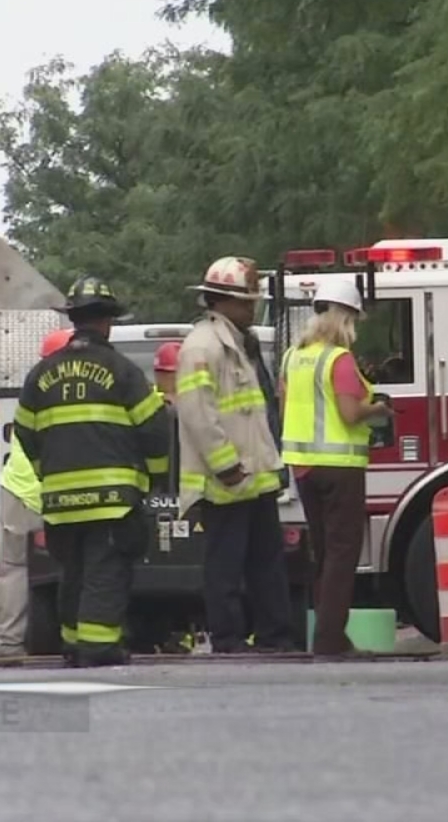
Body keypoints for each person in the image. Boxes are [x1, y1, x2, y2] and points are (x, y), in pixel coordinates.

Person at [14, 276, 170, 668]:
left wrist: (45, 474)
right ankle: (97, 647)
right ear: (107, 323)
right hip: (112, 501)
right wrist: (154, 477)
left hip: (62, 503)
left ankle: (73, 644)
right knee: (104, 573)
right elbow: (154, 427)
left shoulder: (40, 375)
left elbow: (25, 432)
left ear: (74, 320)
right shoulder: (122, 371)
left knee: (73, 573)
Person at [175, 256, 295, 654]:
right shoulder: (202, 346)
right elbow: (197, 413)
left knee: (267, 562)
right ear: (221, 302)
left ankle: (274, 636)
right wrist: (225, 464)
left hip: (254, 475)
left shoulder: (238, 344)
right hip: (225, 480)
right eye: (246, 303)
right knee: (225, 565)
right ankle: (228, 639)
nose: (251, 309)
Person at [280, 278, 392, 660]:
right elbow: (348, 413)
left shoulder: (293, 356)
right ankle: (329, 640)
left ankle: (329, 634)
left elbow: (285, 409)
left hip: (303, 467)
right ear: (346, 316)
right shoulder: (338, 359)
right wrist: (377, 409)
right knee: (343, 553)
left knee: (324, 552)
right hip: (340, 465)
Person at [0, 327, 72, 658]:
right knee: (75, 563)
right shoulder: (68, 392)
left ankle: (9, 643)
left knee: (14, 570)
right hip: (50, 490)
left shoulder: (35, 389)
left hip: (17, 489)